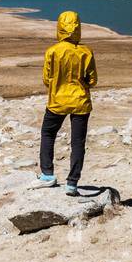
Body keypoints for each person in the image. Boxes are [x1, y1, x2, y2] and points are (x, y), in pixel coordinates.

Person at [37, 10, 97, 195]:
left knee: (48, 134)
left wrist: (58, 85)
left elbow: (47, 79)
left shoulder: (53, 51)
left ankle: (47, 174)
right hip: (80, 102)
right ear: (78, 28)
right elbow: (92, 80)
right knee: (77, 142)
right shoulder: (86, 52)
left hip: (57, 102)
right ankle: (72, 183)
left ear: (60, 27)